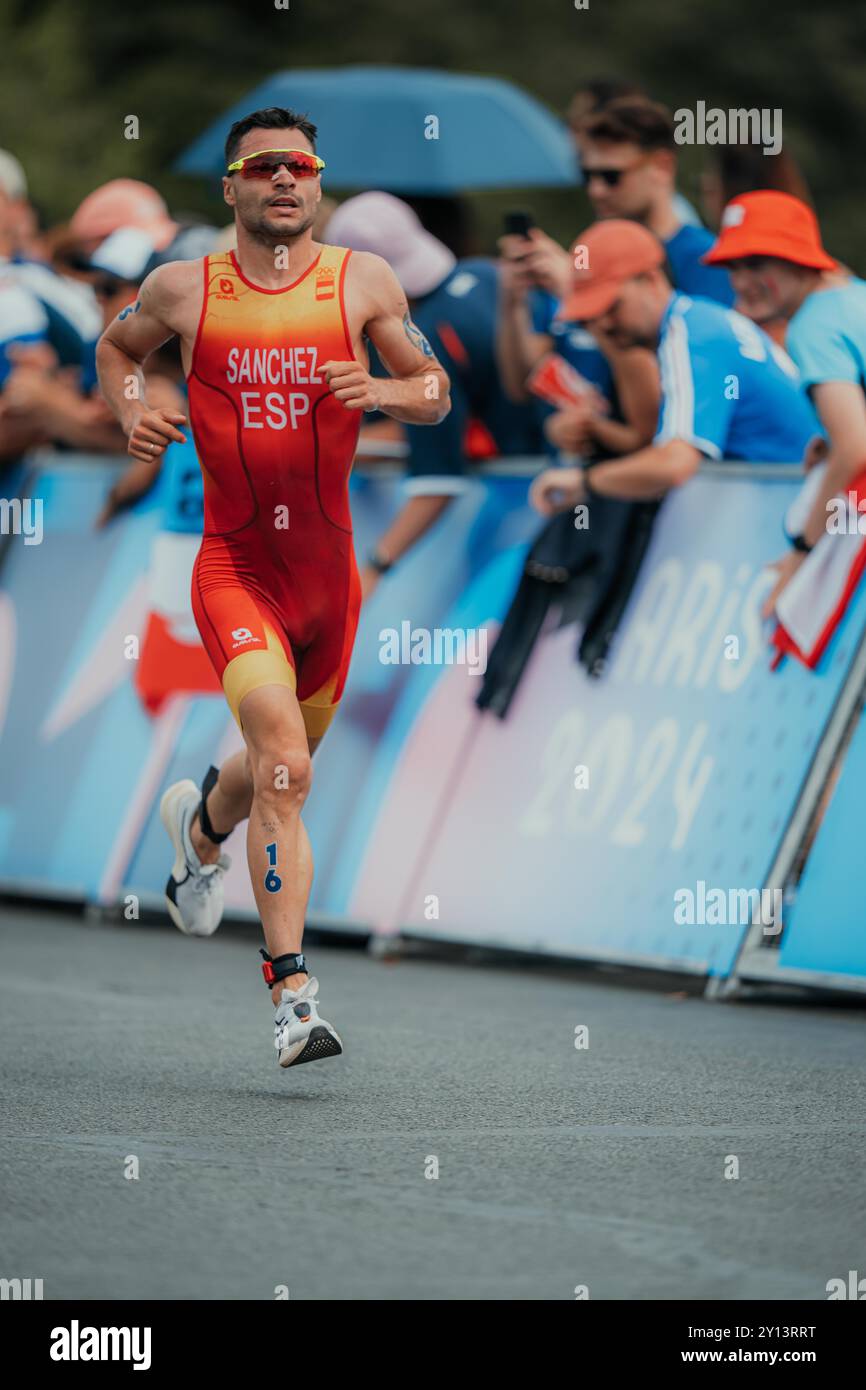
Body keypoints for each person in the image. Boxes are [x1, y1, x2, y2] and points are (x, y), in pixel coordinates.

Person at [96, 106, 450, 1069]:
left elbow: (435, 391)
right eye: (263, 168)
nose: (283, 180)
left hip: (330, 585)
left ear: (318, 183)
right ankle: (295, 996)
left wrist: (383, 392)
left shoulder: (363, 279)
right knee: (289, 765)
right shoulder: (182, 288)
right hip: (237, 570)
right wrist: (134, 410)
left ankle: (199, 823)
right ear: (233, 188)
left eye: (299, 165)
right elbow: (117, 352)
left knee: (274, 768)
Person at [326, 191, 544, 600]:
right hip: (551, 480)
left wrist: (373, 570)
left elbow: (438, 483)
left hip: (522, 510)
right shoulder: (486, 273)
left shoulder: (425, 337)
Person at [528, 219, 819, 516]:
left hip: (795, 506)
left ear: (652, 280)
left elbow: (675, 463)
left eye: (612, 307)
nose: (602, 325)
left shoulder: (691, 335)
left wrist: (585, 481)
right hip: (792, 501)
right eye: (589, 317)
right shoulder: (696, 322)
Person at [701, 190, 866, 638]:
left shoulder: (813, 326)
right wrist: (832, 444)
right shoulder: (852, 297)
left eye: (756, 263)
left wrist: (801, 550)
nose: (739, 281)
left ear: (799, 259)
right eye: (732, 266)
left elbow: (856, 451)